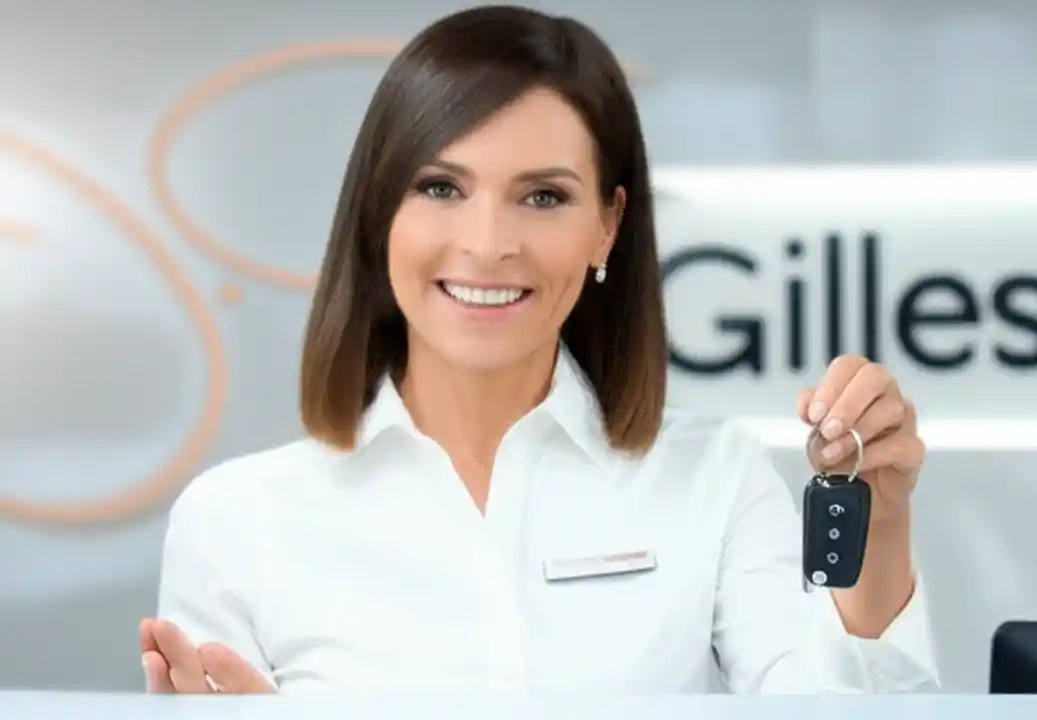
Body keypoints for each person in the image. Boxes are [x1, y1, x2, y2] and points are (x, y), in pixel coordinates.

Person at [138, 5, 937, 694]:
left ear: (608, 225)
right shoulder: (236, 520)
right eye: (441, 187)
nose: (488, 244)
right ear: (382, 212)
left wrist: (885, 520)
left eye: (543, 196)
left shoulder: (715, 479)